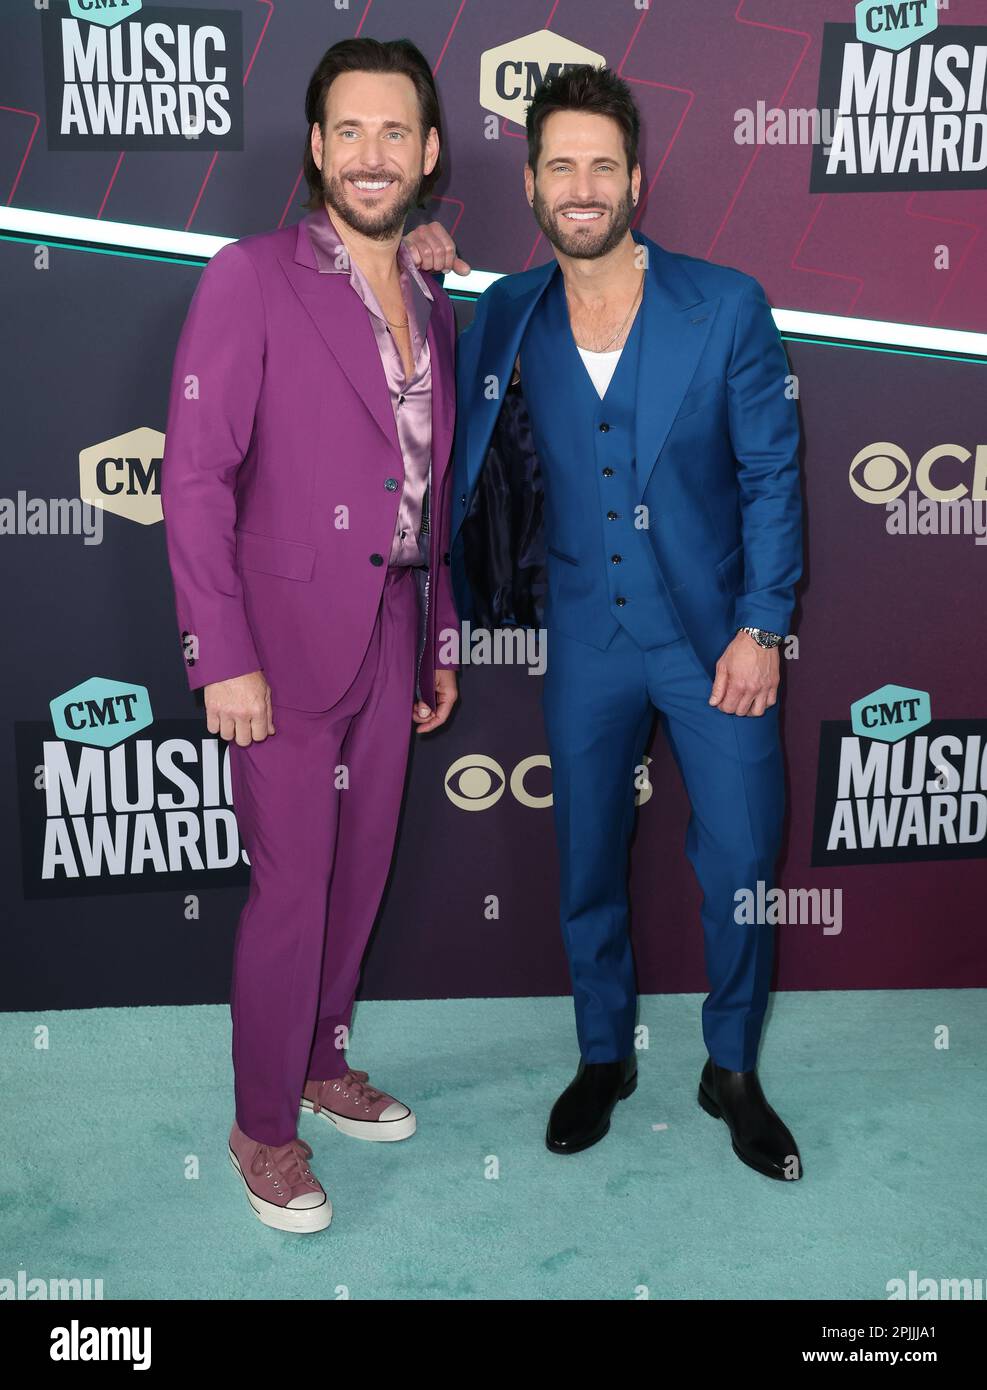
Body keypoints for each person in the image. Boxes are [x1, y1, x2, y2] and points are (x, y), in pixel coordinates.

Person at [406, 65, 804, 1179]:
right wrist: (408, 254)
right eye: (560, 166)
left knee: (740, 857)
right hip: (584, 636)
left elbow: (773, 473)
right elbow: (407, 361)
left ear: (635, 179)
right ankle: (603, 1054)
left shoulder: (723, 303)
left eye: (602, 165)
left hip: (716, 635)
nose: (582, 186)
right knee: (585, 856)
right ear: (531, 184)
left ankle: (731, 1066)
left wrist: (764, 625)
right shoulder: (505, 312)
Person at [161, 37, 459, 1233]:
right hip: (277, 637)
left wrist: (439, 630)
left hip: (395, 615)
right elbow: (194, 476)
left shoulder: (433, 293)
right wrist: (218, 650)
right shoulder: (249, 274)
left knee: (363, 866)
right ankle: (262, 1124)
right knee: (292, 886)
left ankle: (326, 1061)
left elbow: (437, 479)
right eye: (348, 132)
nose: (371, 155)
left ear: (430, 152)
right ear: (316, 148)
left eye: (394, 133)